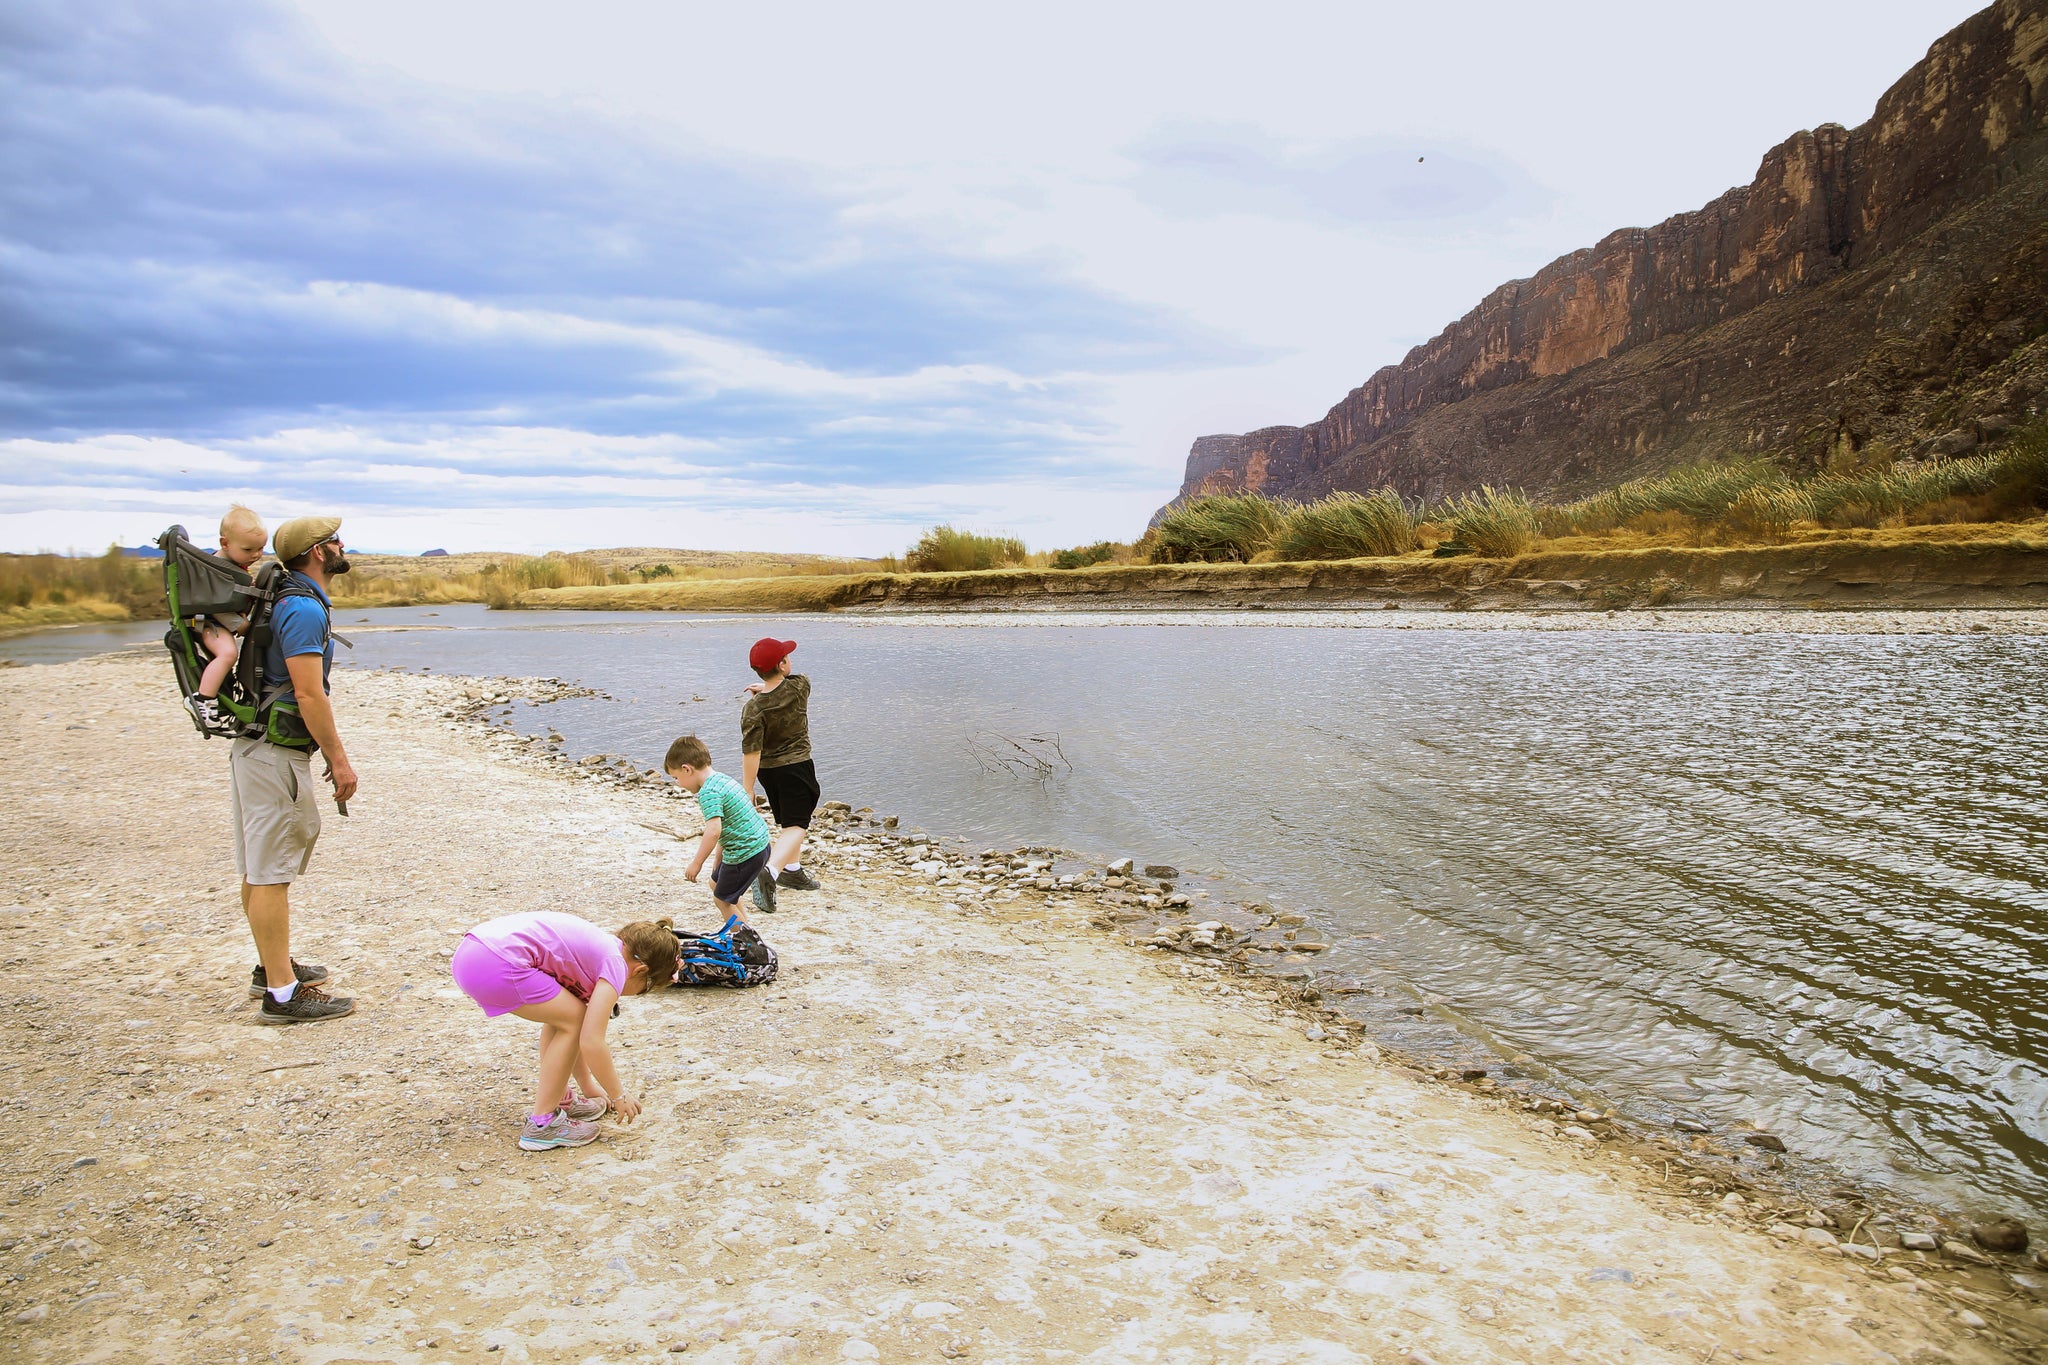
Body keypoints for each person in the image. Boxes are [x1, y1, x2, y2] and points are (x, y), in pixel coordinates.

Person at [234, 515, 357, 1024]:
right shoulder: (303, 609)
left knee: (260, 865)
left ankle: (273, 966)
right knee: (271, 871)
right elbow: (308, 693)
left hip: (257, 747)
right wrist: (338, 758)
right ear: (316, 552)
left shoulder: (285, 599)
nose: (342, 544)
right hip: (275, 753)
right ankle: (282, 996)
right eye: (334, 541)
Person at [449, 911, 677, 1151]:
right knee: (575, 1021)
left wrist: (589, 1087)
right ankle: (542, 1125)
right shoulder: (616, 966)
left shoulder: (605, 949)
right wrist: (618, 1095)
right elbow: (592, 1041)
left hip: (472, 952)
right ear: (641, 971)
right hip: (497, 963)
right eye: (645, 989)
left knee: (568, 1018)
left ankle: (560, 1098)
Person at [741, 637, 822, 900]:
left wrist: (749, 787)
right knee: (799, 823)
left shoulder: (753, 708)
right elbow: (786, 683)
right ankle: (771, 871)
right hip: (797, 765)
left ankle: (792, 870)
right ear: (783, 664)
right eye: (787, 657)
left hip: (768, 770)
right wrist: (769, 685)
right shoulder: (800, 687)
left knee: (788, 821)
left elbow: (751, 750)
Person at [665, 734, 778, 917]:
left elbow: (714, 831)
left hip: (745, 852)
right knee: (716, 885)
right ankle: (744, 929)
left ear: (687, 769)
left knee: (722, 900)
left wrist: (697, 863)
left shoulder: (708, 792)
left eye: (676, 777)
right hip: (760, 845)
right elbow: (729, 826)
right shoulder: (722, 779)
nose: (678, 783)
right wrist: (719, 858)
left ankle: (747, 941)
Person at [184, 504, 268, 735]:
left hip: (215, 622)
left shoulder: (230, 565)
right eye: (249, 549)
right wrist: (240, 625)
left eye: (261, 549)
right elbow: (215, 606)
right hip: (207, 624)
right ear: (225, 544)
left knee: (228, 656)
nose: (256, 555)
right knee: (227, 654)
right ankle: (201, 700)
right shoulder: (216, 571)